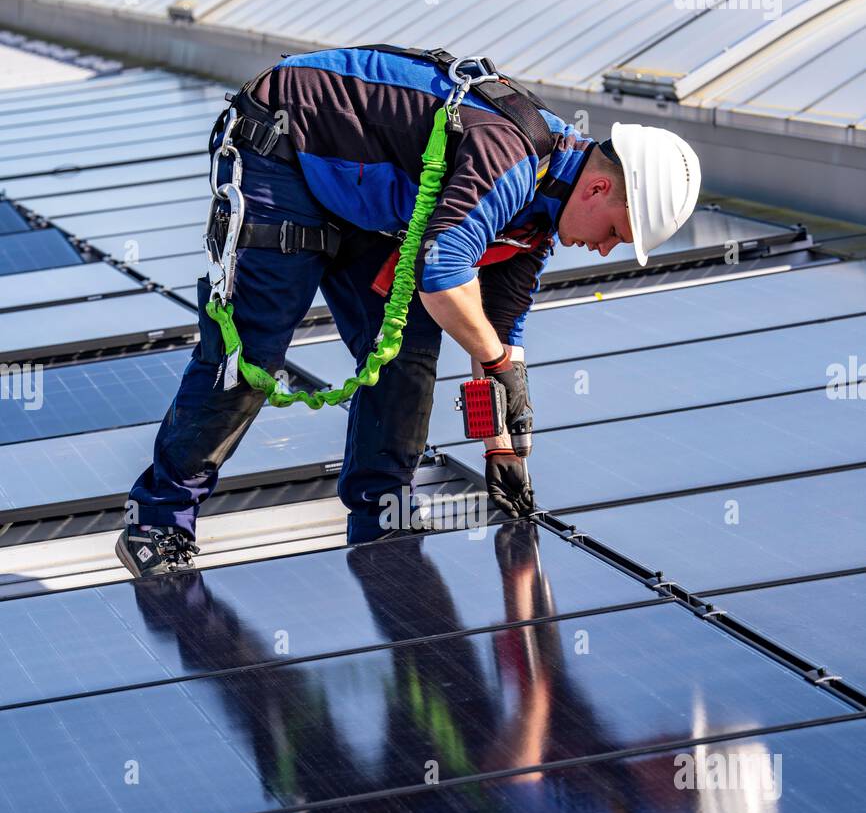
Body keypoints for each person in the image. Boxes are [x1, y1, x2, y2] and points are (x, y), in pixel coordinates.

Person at [116, 47, 700, 578]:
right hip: (285, 148)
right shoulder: (512, 160)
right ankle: (158, 522)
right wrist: (501, 366)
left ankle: (381, 517)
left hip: (365, 197)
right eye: (617, 233)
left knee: (404, 352)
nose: (604, 249)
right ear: (599, 190)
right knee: (251, 349)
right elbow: (443, 281)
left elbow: (493, 332)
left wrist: (502, 449)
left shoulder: (539, 215)